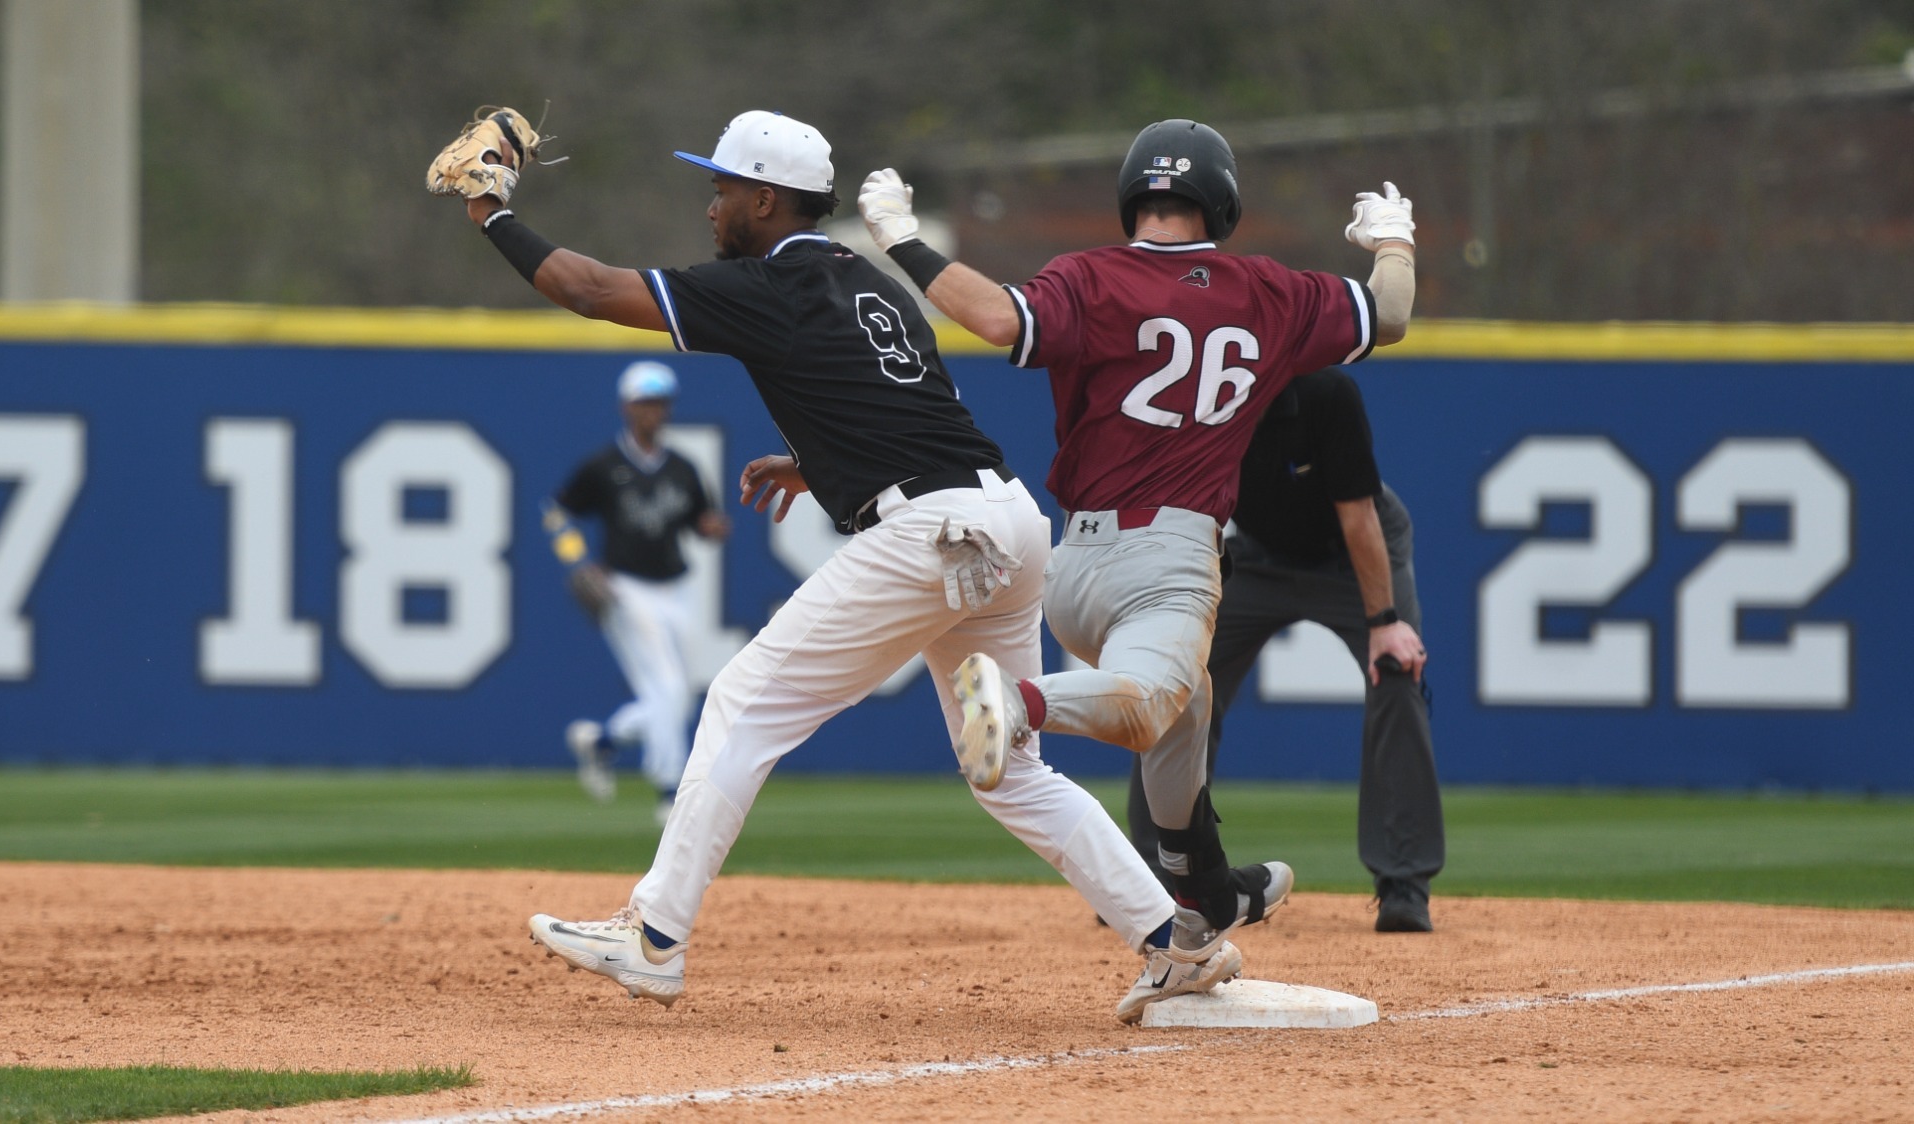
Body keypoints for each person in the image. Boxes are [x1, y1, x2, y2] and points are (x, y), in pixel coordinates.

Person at [437, 108, 1245, 1021]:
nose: (712, 203)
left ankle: (653, 936)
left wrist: (491, 211)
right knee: (1011, 771)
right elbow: (899, 405)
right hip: (1008, 520)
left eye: (725, 186)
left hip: (932, 530)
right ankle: (1172, 943)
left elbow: (586, 288)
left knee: (744, 701)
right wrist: (817, 464)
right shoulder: (868, 280)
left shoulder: (763, 285)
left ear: (768, 198)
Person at [858, 119, 1416, 963]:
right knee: (1156, 701)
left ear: (1132, 195)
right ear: (1220, 202)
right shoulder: (1266, 290)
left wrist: (902, 239)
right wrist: (1393, 238)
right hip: (1172, 560)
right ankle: (1017, 706)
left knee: (1185, 717)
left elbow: (995, 320)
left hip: (1074, 569)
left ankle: (1203, 896)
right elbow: (1395, 312)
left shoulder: (1086, 275)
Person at [1121, 367, 1445, 932]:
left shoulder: (1325, 394)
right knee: (1177, 681)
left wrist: (1384, 622)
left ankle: (1404, 885)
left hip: (1353, 554)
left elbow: (1359, 514)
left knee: (1395, 671)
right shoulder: (1193, 397)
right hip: (1258, 559)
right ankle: (1152, 876)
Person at [545, 359, 729, 828]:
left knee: (679, 697)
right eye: (645, 402)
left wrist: (709, 528)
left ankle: (602, 742)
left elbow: (700, 520)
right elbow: (557, 512)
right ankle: (671, 793)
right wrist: (576, 558)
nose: (654, 411)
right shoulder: (604, 466)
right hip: (626, 588)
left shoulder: (683, 468)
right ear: (627, 407)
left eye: (661, 402)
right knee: (665, 689)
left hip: (676, 587)